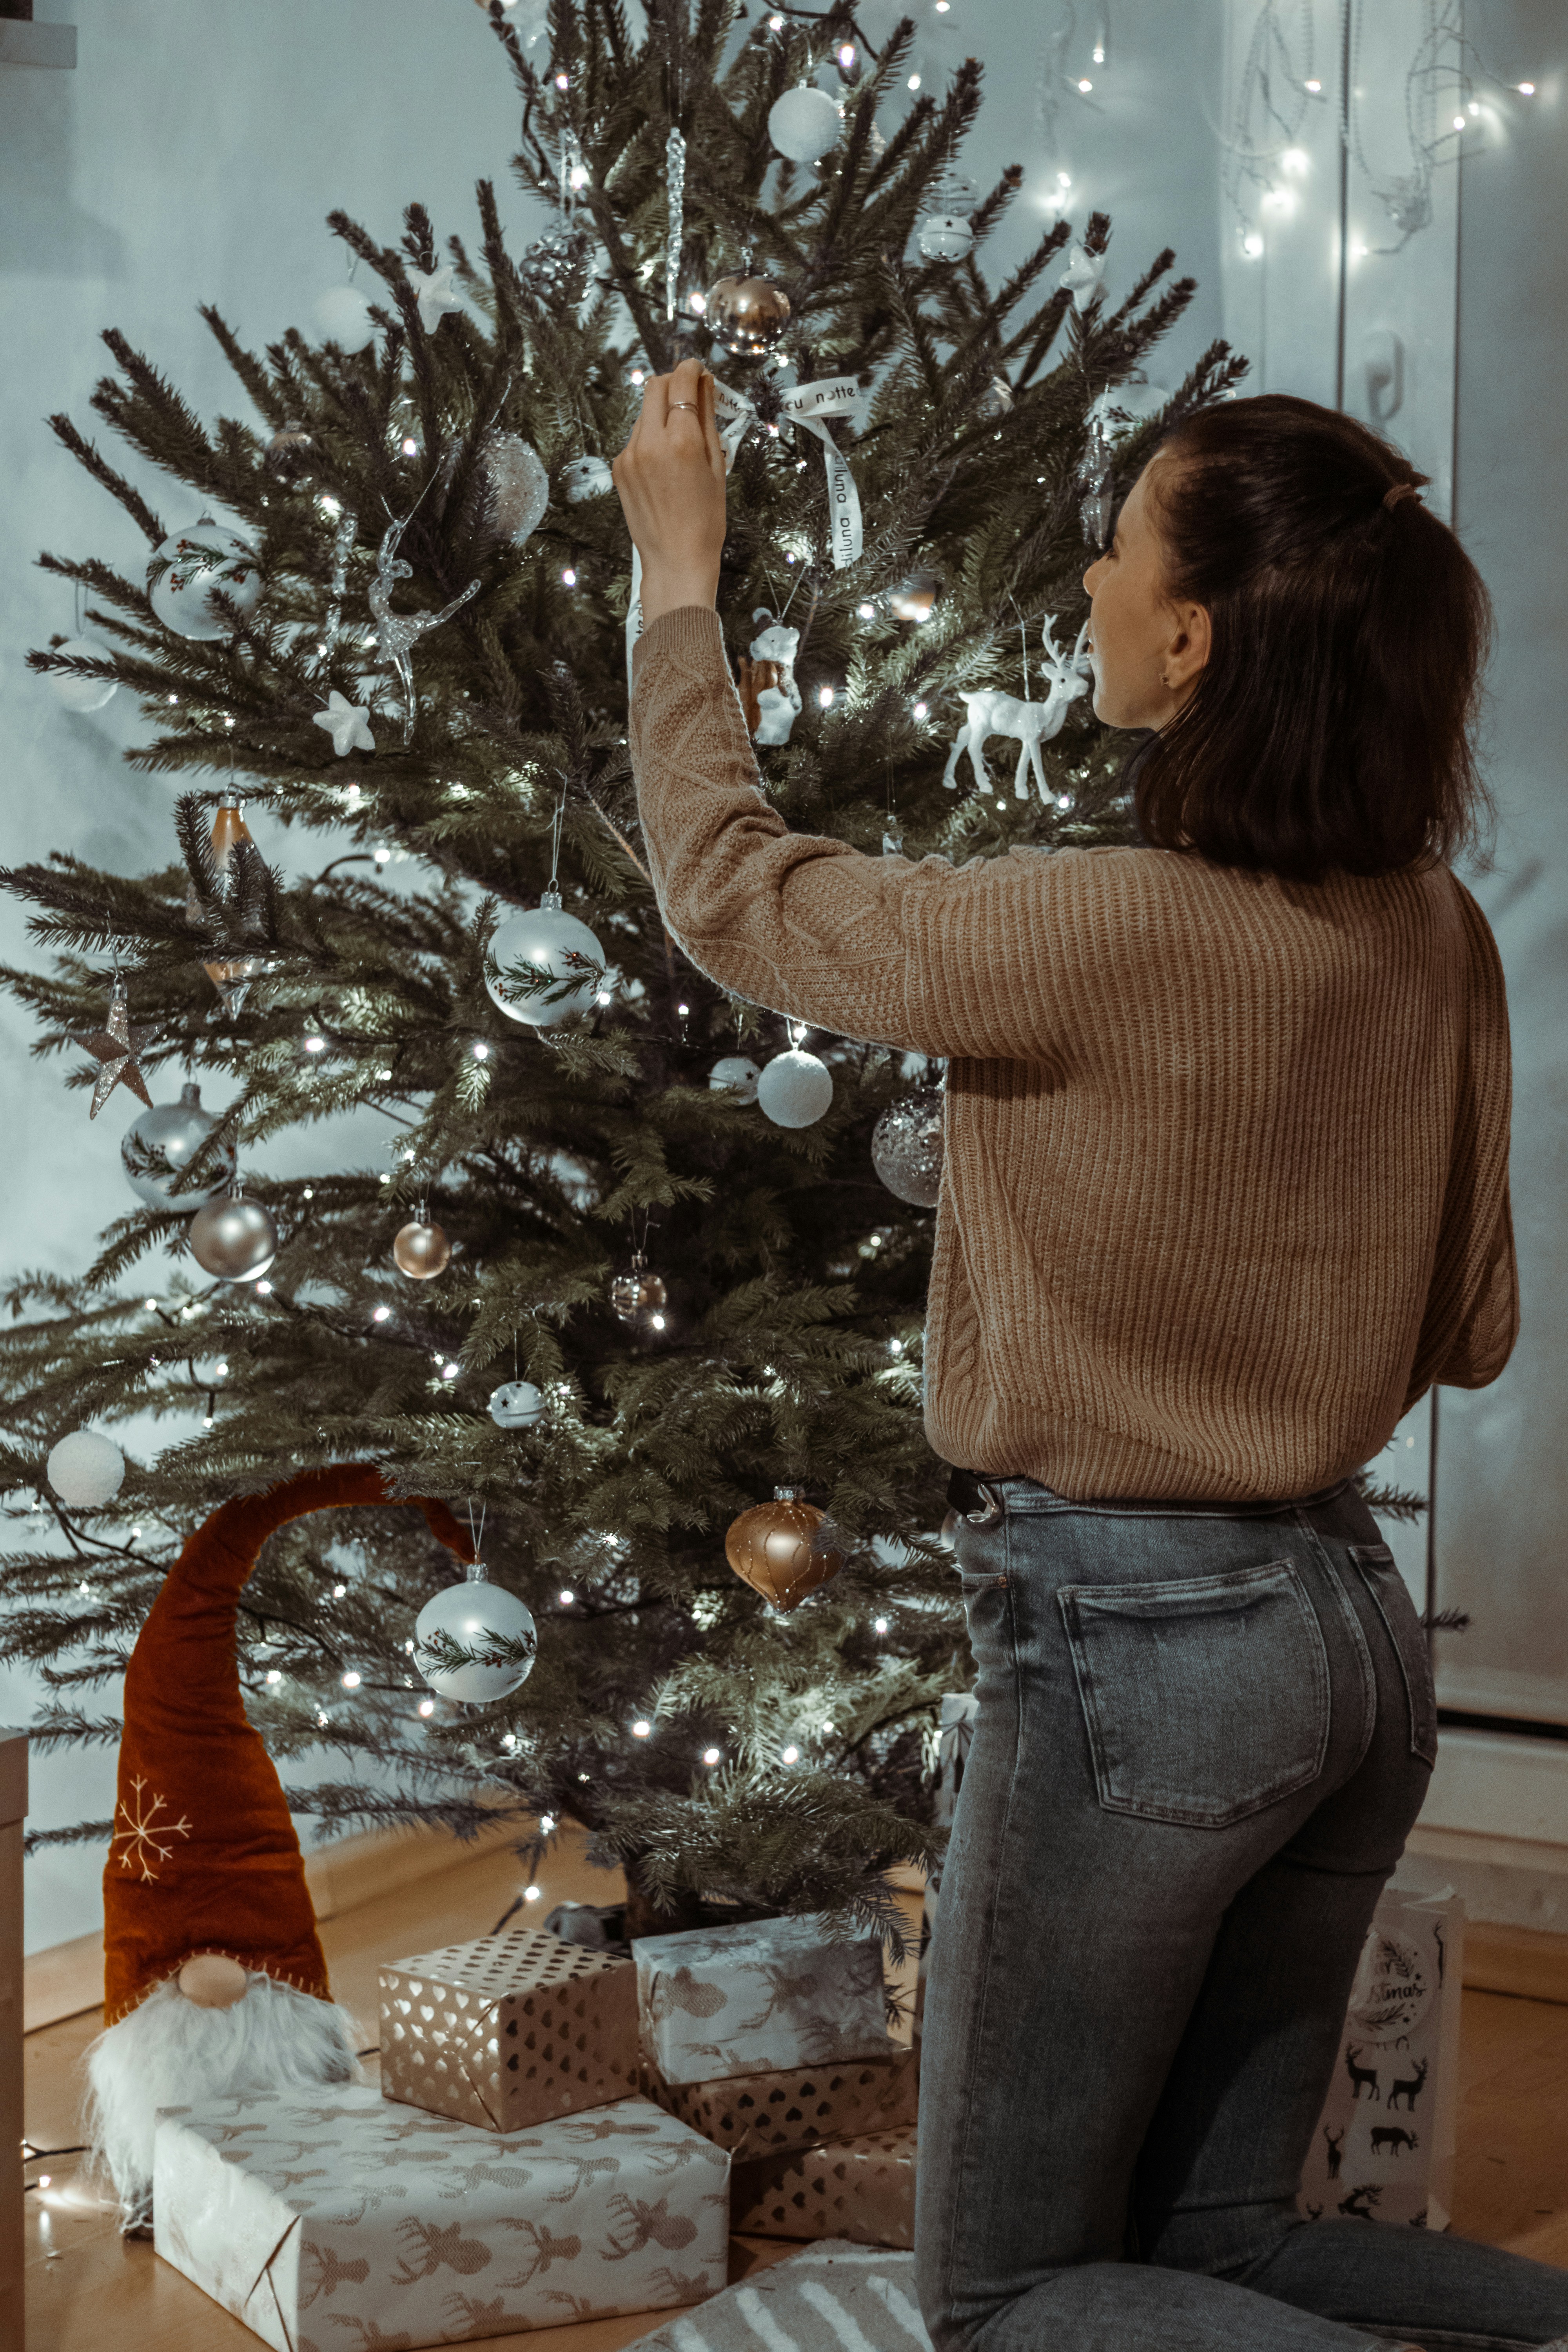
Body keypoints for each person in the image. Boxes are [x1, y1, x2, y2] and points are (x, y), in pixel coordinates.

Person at [615, 359, 1563, 2352]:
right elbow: (1472, 1325)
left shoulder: (1085, 925)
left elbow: (731, 891)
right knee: (1223, 2239)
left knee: (1005, 2296)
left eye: (1118, 545)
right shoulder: (1434, 930)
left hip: (1144, 1655)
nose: (1087, 576)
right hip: (1357, 1642)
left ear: (1193, 636)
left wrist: (675, 581)